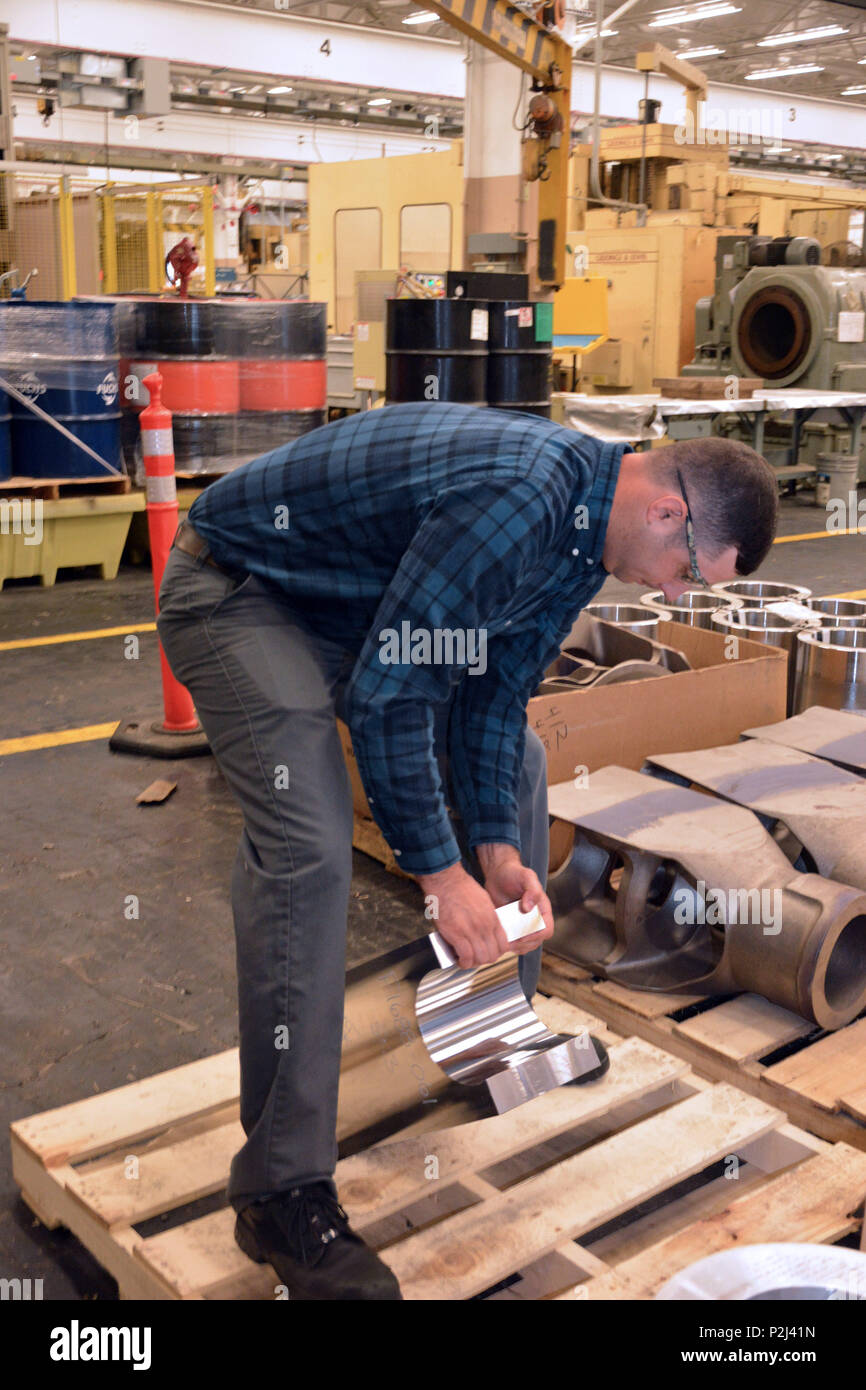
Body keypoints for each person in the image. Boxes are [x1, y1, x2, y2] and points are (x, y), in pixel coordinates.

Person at [156, 402, 778, 1300]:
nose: (677, 596)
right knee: (313, 845)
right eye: (689, 573)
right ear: (668, 513)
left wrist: (491, 850)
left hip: (352, 603)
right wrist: (441, 877)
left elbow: (489, 695)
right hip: (242, 594)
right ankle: (280, 1194)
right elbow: (390, 696)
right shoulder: (523, 496)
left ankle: (491, 1035)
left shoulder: (584, 539)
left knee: (516, 762)